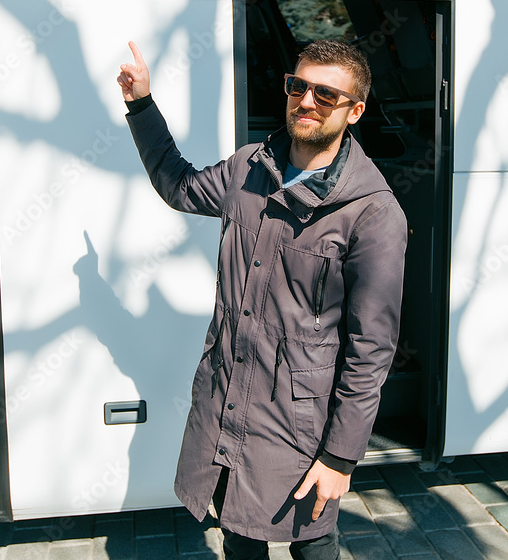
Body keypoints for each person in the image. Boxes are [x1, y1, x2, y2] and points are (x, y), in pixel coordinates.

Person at [118, 38, 407, 559]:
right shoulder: (248, 167)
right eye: (299, 86)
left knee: (311, 542)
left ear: (355, 111)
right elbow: (179, 185)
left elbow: (372, 351)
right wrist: (142, 105)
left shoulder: (373, 213)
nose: (307, 101)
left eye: (326, 94)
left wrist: (340, 458)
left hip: (299, 424)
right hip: (226, 400)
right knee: (237, 536)